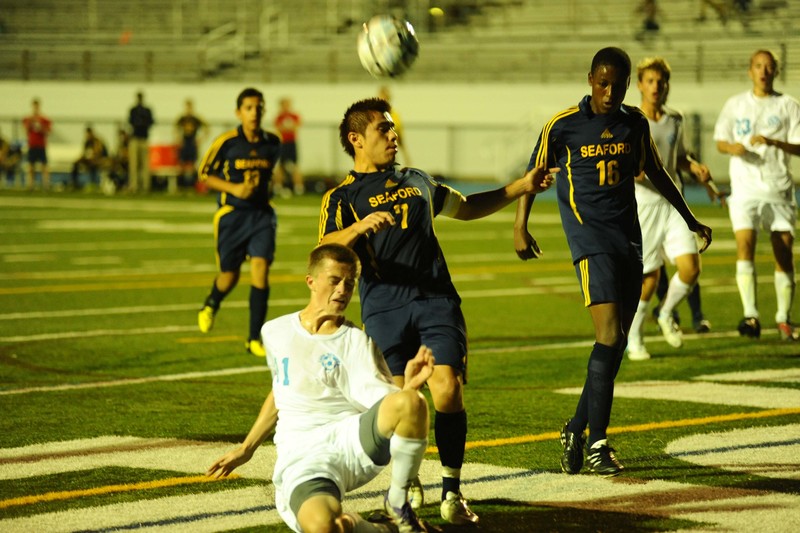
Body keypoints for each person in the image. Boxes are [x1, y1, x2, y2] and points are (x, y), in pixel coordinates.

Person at [318, 97, 555, 525]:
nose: (393, 136)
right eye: (382, 130)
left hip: (435, 300)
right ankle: (403, 485)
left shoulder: (418, 179)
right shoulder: (342, 196)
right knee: (400, 403)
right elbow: (322, 250)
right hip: (384, 309)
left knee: (446, 388)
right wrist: (358, 228)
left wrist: (520, 187)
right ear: (356, 139)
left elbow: (464, 208)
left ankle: (451, 490)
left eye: (392, 129)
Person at [514, 47, 712, 476]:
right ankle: (598, 444)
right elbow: (533, 175)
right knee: (608, 335)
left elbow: (658, 172)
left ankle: (575, 427)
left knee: (617, 342)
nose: (609, 92)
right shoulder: (563, 125)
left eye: (617, 85)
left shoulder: (633, 123)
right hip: (590, 242)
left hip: (629, 240)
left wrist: (691, 218)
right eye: (602, 83)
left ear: (626, 86)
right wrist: (520, 225)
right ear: (590, 79)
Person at [207, 243, 434, 533]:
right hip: (302, 453)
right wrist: (247, 447)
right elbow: (282, 390)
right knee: (325, 528)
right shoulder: (275, 332)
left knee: (412, 404)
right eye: (335, 280)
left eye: (349, 283)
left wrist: (410, 387)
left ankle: (398, 502)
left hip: (350, 442)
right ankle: (374, 529)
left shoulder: (357, 342)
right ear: (311, 282)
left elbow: (387, 402)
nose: (342, 290)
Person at [626, 57, 723, 361]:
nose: (656, 87)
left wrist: (694, 167)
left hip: (674, 202)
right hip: (645, 205)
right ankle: (634, 338)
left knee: (691, 269)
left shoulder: (675, 119)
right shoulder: (629, 120)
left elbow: (677, 157)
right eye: (650, 81)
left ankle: (666, 313)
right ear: (640, 85)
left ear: (667, 85)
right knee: (649, 278)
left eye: (661, 81)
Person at [714, 49, 800, 340]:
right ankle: (751, 316)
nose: (763, 71)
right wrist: (732, 147)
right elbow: (720, 141)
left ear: (776, 71)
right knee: (744, 245)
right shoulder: (735, 104)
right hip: (745, 188)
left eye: (769, 66)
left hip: (778, 188)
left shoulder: (788, 105)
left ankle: (783, 318)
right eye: (758, 66)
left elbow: (799, 146)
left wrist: (773, 141)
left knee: (783, 252)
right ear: (749, 70)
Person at [196, 87, 281, 357]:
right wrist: (235, 189)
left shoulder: (272, 143)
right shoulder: (227, 142)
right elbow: (204, 173)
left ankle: (254, 337)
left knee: (260, 268)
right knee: (229, 277)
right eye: (248, 107)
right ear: (238, 112)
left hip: (261, 215)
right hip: (232, 216)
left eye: (258, 107)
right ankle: (211, 302)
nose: (254, 112)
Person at [272, 97, 305, 196]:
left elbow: (297, 126)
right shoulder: (278, 117)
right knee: (280, 166)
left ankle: (299, 188)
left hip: (292, 143)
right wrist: (287, 128)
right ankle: (278, 187)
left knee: (295, 166)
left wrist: (288, 128)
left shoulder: (294, 115)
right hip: (282, 143)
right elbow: (278, 128)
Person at [175, 98, 208, 189]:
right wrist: (178, 138)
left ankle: (193, 185)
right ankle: (181, 185)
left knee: (193, 164)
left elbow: (207, 128)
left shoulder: (195, 118)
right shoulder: (182, 118)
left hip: (192, 142)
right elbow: (175, 128)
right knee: (182, 164)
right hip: (185, 142)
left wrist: (200, 139)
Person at [22, 98, 52, 190]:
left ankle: (45, 185)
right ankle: (31, 185)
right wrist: (31, 122)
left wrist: (41, 127)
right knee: (31, 167)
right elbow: (25, 130)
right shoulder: (28, 119)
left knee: (44, 167)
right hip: (32, 145)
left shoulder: (44, 119)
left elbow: (49, 132)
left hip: (41, 145)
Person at [128, 91, 154, 193]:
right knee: (134, 164)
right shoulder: (133, 110)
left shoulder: (147, 110)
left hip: (144, 139)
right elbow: (131, 121)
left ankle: (146, 186)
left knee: (145, 164)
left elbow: (151, 121)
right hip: (135, 138)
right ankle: (134, 186)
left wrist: (142, 123)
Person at [378, 86, 411, 165]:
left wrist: (406, 158)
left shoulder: (395, 116)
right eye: (382, 97)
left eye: (386, 98)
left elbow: (400, 140)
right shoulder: (372, 116)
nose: (384, 100)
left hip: (389, 157)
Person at [70, 126, 108, 190]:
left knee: (93, 165)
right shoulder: (87, 142)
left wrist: (93, 157)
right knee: (75, 164)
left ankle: (94, 184)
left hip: (99, 160)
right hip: (89, 160)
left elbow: (100, 153)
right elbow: (84, 153)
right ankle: (75, 184)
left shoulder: (97, 141)